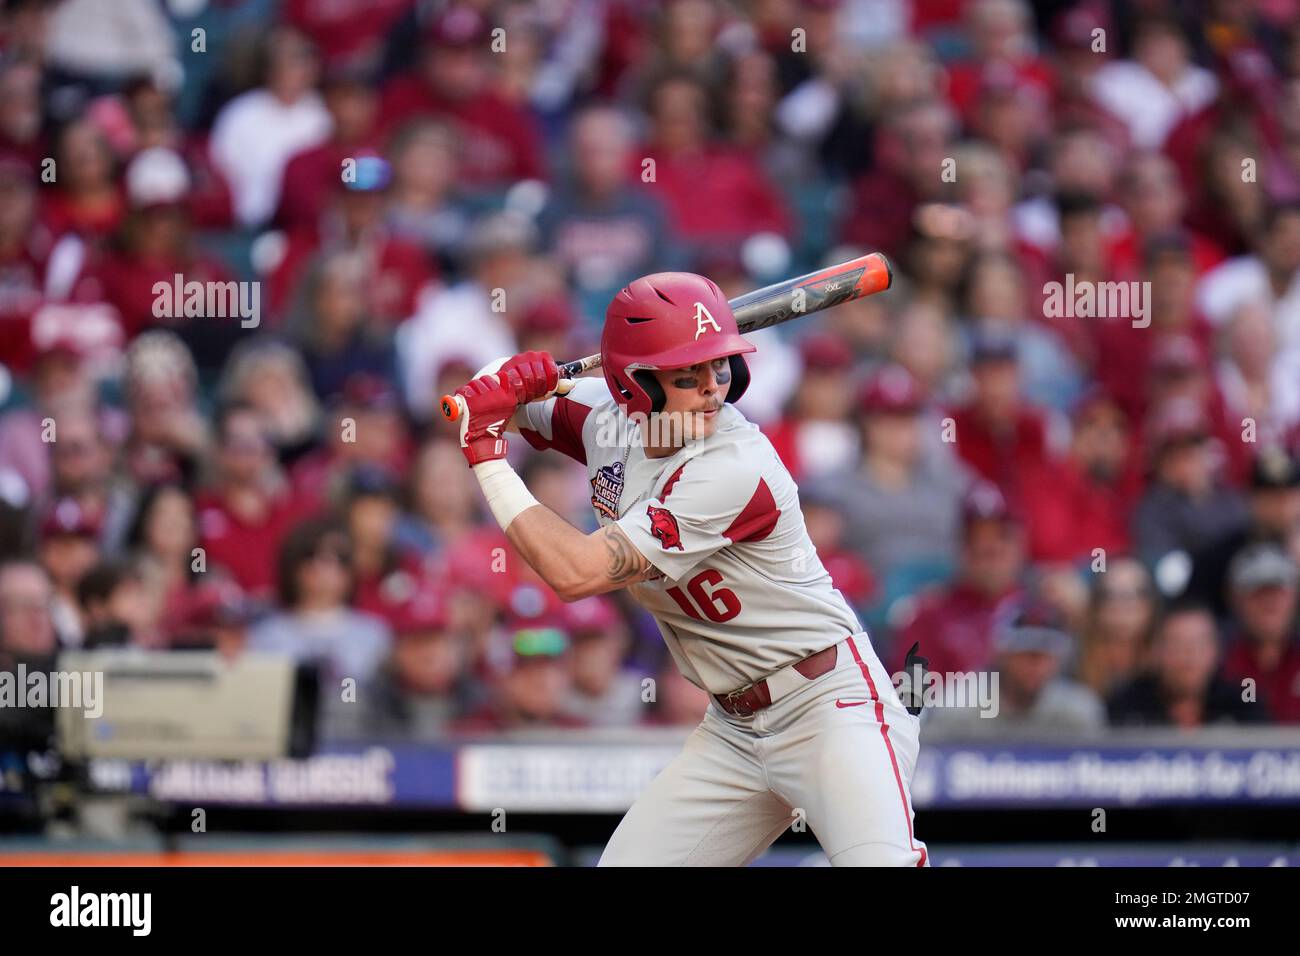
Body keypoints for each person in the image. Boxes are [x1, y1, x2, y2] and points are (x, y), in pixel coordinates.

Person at [448, 271, 926, 866]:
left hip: (828, 705)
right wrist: (509, 377)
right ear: (634, 387)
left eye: (720, 367)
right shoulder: (607, 421)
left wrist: (488, 460)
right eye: (686, 373)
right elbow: (484, 397)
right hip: (733, 728)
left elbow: (574, 573)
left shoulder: (732, 463)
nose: (711, 390)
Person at [1107, 601, 1266, 728]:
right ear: (1156, 651)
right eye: (1177, 645)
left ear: (1216, 651)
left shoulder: (1243, 704)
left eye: (1198, 644)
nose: (1189, 656)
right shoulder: (1127, 705)